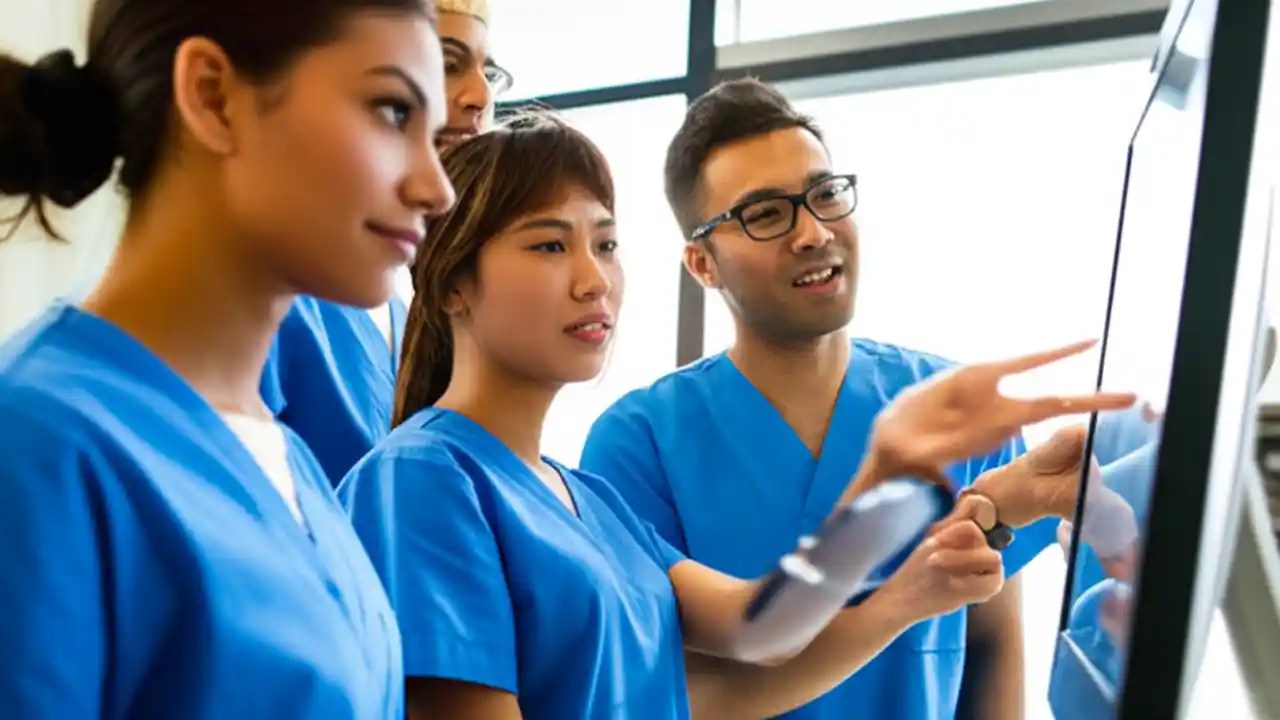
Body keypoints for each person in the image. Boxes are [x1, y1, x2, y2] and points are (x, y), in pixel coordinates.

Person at [338, 111, 1135, 719]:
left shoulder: (589, 500)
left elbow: (761, 634)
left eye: (607, 245)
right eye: (551, 246)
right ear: (449, 284)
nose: (595, 281)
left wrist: (896, 507)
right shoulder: (424, 479)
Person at [0, 0, 454, 716]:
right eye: (393, 111)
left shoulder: (289, 466)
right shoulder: (39, 446)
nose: (437, 188)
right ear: (213, 95)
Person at [579, 77, 1081, 720]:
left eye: (825, 194)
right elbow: (658, 687)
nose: (813, 232)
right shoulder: (639, 444)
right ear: (702, 264)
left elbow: (991, 645)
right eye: (764, 214)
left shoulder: (955, 413)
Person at [260, 0, 512, 486]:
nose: (480, 95)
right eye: (446, 65)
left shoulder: (404, 313)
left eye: (490, 72)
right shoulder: (264, 306)